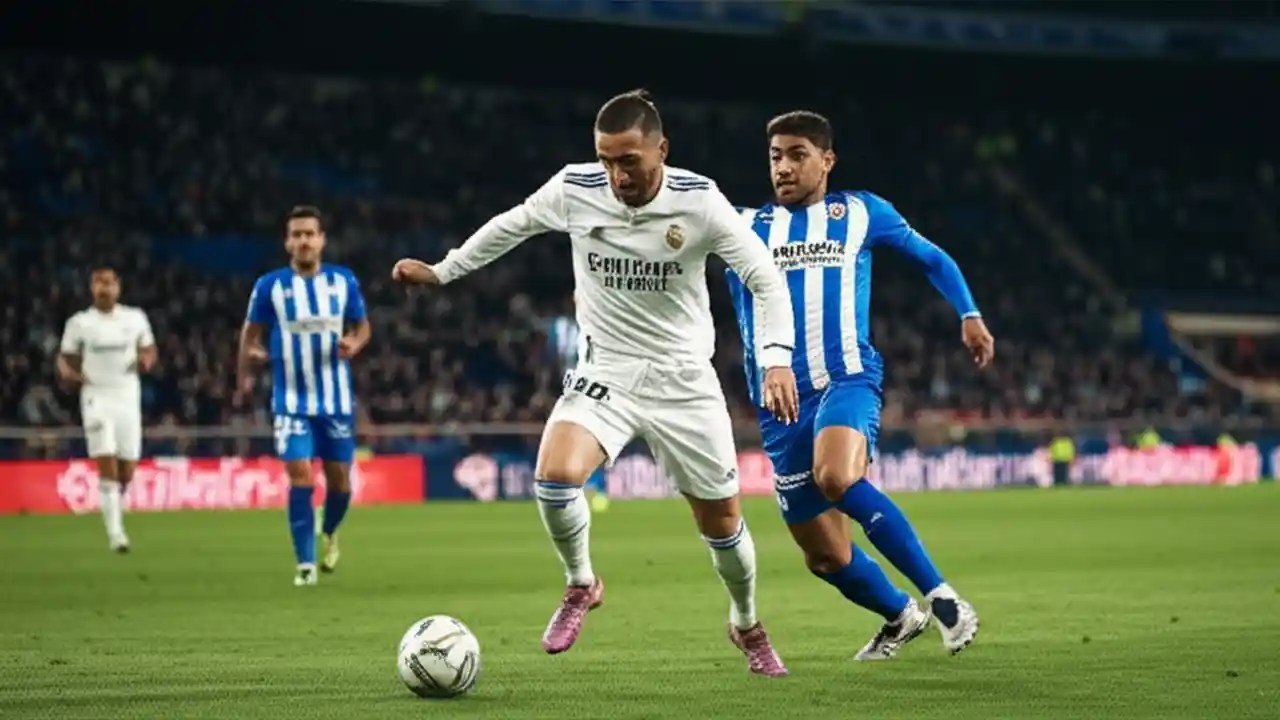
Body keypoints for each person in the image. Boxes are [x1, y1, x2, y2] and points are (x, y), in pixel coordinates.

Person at [392, 90, 800, 676]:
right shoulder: (575, 189)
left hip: (684, 380)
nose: (616, 174)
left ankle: (746, 624)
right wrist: (443, 270)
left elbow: (766, 279)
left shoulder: (701, 203)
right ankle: (582, 583)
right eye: (606, 159)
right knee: (554, 477)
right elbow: (512, 226)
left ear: (662, 150)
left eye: (629, 160)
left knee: (722, 523)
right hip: (605, 368)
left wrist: (777, 357)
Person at [726, 111, 994, 660]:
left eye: (797, 154)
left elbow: (931, 257)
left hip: (846, 378)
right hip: (778, 406)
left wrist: (968, 311)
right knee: (823, 556)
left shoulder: (862, 212)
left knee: (835, 474)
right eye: (775, 155)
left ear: (827, 160)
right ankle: (899, 615)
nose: (784, 166)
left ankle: (944, 597)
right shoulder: (739, 226)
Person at [238, 206, 371, 587]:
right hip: (291, 401)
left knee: (340, 483)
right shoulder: (270, 286)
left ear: (321, 239)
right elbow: (250, 336)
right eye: (296, 234)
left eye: (309, 233)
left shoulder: (343, 281)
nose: (303, 241)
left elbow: (363, 327)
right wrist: (248, 366)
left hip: (336, 403)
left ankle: (329, 530)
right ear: (287, 242)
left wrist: (354, 343)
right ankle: (305, 564)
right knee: (300, 474)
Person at [57, 266, 157, 553]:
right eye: (100, 283)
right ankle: (116, 535)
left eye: (110, 282)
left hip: (127, 398)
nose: (105, 288)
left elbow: (149, 349)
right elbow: (65, 358)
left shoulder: (135, 318)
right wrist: (70, 375)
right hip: (96, 398)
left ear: (118, 287)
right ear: (92, 288)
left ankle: (112, 508)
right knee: (107, 465)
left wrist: (147, 360)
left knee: (127, 469)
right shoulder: (80, 323)